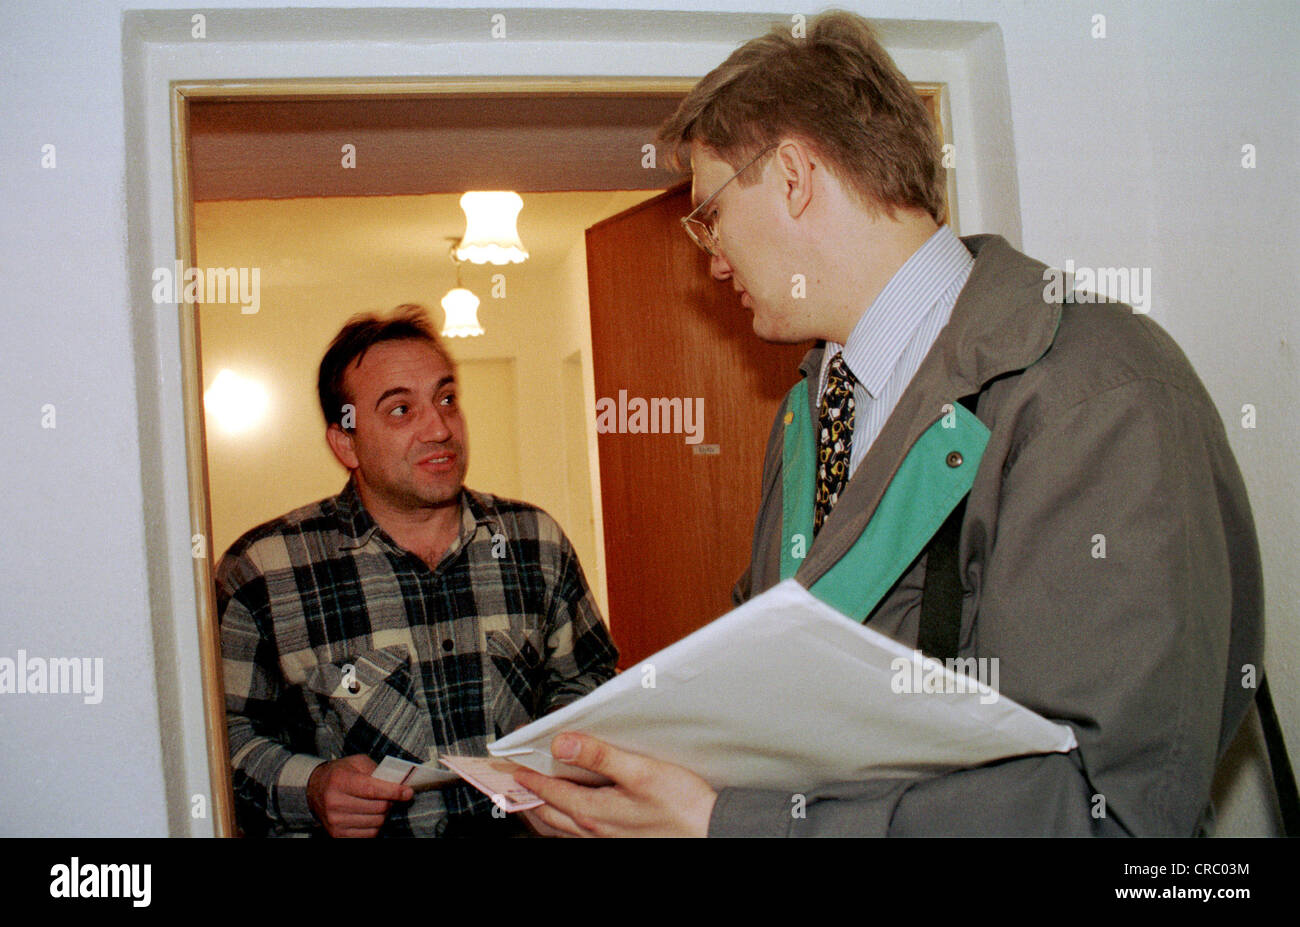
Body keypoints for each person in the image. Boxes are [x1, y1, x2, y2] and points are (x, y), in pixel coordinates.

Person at [513, 11, 1263, 836]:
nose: (713, 257)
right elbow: (774, 693)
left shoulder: (1099, 388)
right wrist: (640, 784)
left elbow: (1114, 815)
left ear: (794, 175)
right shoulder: (812, 410)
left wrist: (726, 824)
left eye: (710, 215)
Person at [216, 304, 618, 837]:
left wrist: (554, 751)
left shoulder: (533, 541)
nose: (440, 428)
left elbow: (587, 681)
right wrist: (312, 786)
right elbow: (225, 736)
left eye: (446, 399)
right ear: (345, 442)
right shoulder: (263, 571)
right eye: (401, 410)